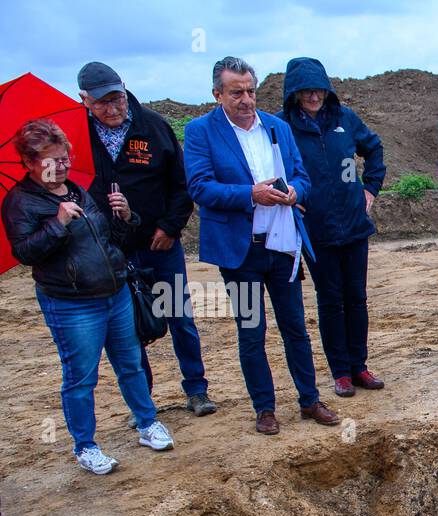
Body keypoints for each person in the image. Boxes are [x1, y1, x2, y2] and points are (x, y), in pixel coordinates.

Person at [1, 119, 175, 475]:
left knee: (130, 362)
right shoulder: (20, 203)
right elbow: (26, 253)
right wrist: (57, 224)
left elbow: (111, 238)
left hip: (115, 292)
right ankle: (85, 446)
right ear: (31, 162)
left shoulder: (77, 190)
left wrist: (126, 216)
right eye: (53, 160)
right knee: (81, 377)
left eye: (65, 158)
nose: (62, 165)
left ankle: (147, 423)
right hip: (71, 302)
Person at [184, 56, 338, 435]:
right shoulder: (200, 131)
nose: (246, 99)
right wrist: (250, 194)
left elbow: (301, 175)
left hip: (283, 244)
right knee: (252, 330)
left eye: (251, 91)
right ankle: (265, 408)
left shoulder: (277, 127)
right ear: (217, 93)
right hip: (242, 250)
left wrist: (295, 192)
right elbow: (200, 187)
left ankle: (309, 399)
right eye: (236, 92)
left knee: (296, 328)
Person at [77, 61, 215, 415]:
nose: (112, 108)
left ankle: (197, 390)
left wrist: (170, 227)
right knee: (128, 328)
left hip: (159, 245)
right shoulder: (77, 137)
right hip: (112, 251)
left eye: (116, 98)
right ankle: (144, 402)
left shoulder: (153, 126)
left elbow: (182, 186)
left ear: (124, 89)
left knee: (178, 316)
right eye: (102, 102)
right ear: (84, 101)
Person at [279, 57, 387, 398]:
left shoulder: (345, 119)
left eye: (319, 90)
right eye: (306, 91)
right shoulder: (282, 127)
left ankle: (359, 366)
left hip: (354, 225)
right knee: (330, 299)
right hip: (316, 227)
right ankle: (340, 372)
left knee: (356, 298)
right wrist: (288, 196)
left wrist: (370, 188)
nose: (314, 97)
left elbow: (374, 149)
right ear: (294, 94)